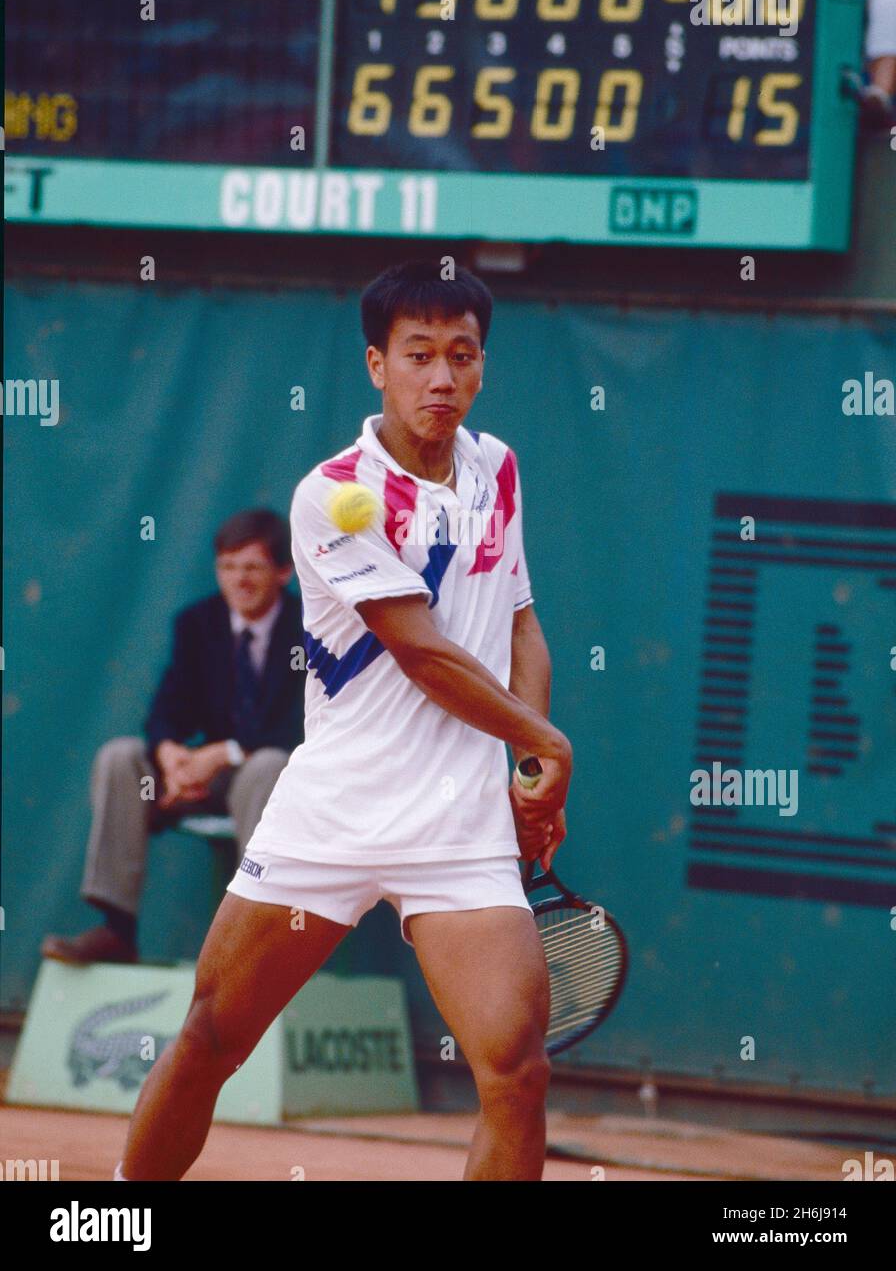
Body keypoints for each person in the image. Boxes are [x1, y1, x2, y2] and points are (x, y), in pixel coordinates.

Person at [113, 260, 572, 1182]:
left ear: (481, 365)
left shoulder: (498, 469)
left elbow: (520, 618)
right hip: (334, 811)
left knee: (516, 1074)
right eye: (418, 357)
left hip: (457, 825)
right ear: (377, 364)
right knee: (211, 1036)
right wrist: (546, 742)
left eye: (461, 356)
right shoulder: (330, 494)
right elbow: (424, 654)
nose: (441, 378)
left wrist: (526, 773)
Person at [41, 509, 306, 966]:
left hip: (270, 777)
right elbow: (168, 708)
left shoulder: (313, 625)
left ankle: (255, 936)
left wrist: (221, 754)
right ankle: (117, 930)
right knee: (121, 757)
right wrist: (169, 756)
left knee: (268, 766)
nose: (238, 580)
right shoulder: (198, 623)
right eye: (227, 567)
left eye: (252, 567)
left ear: (284, 571)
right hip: (198, 781)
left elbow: (301, 725)